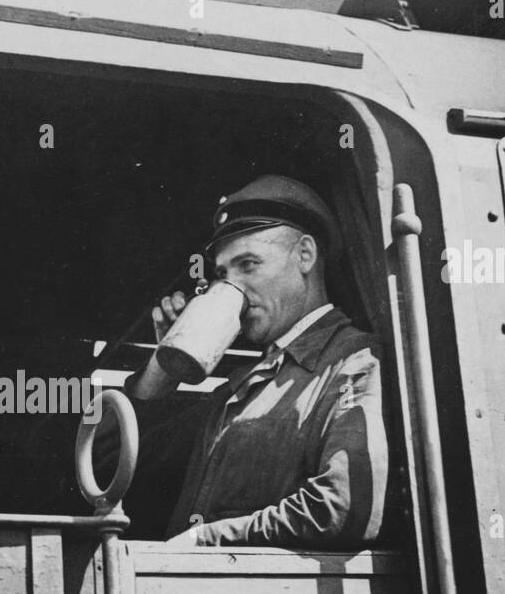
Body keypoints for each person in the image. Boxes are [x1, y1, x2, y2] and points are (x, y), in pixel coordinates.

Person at [127, 175, 389, 548]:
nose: (232, 287)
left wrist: (204, 540)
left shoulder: (354, 361)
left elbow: (343, 506)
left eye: (248, 265)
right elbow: (118, 465)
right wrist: (162, 368)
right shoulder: (239, 388)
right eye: (222, 275)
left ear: (305, 255)